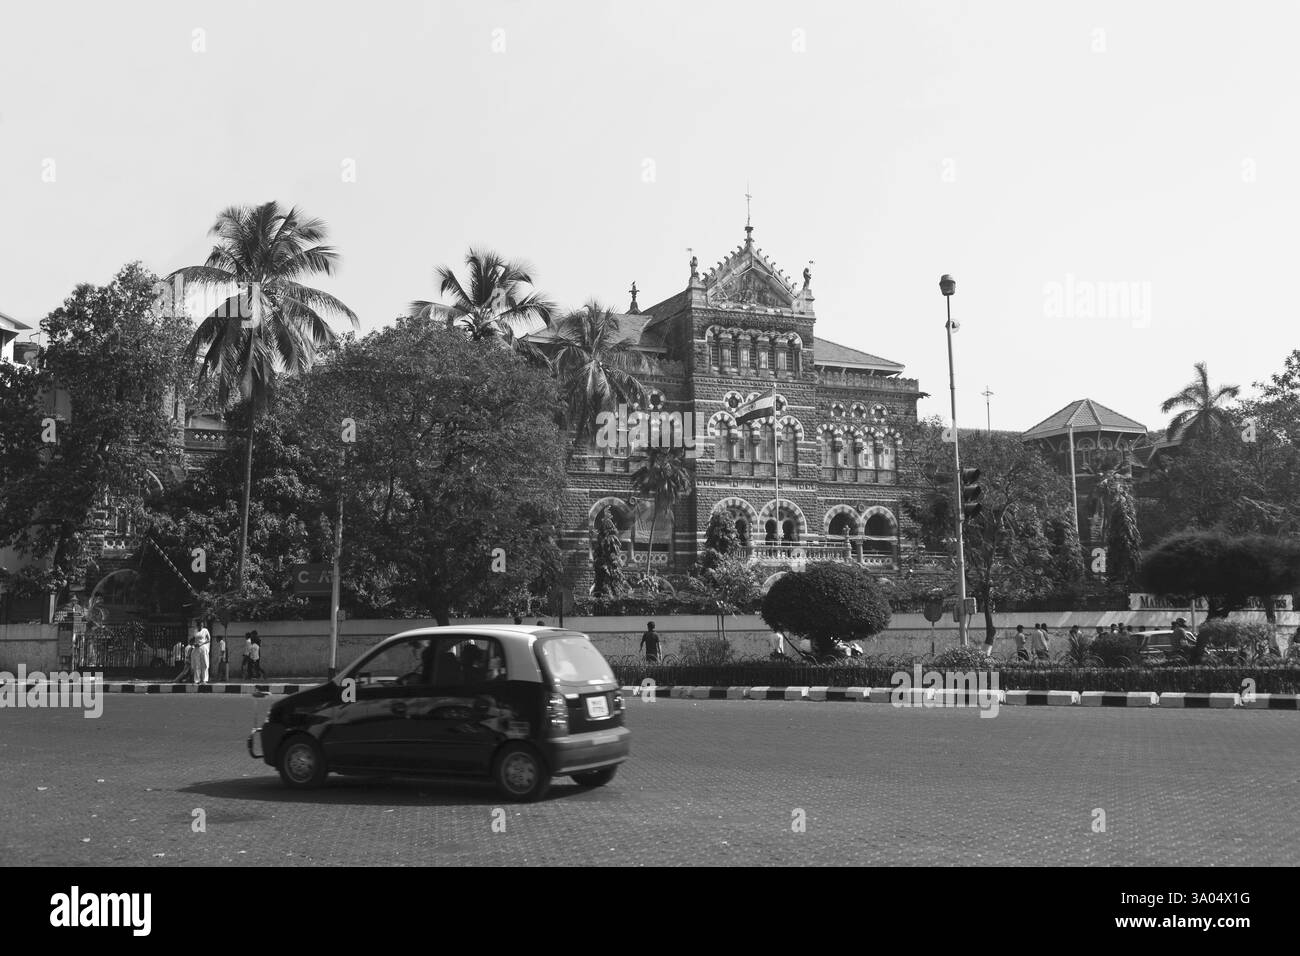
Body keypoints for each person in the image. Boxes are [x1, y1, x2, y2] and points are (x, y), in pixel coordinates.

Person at [192, 619, 211, 685]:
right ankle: (197, 680)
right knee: (197, 664)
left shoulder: (205, 630)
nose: (201, 626)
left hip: (203, 648)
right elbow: (194, 639)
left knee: (204, 664)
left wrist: (202, 644)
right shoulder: (195, 631)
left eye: (202, 625)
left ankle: (204, 680)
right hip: (196, 649)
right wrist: (195, 644)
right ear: (198, 625)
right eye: (200, 625)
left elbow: (208, 640)